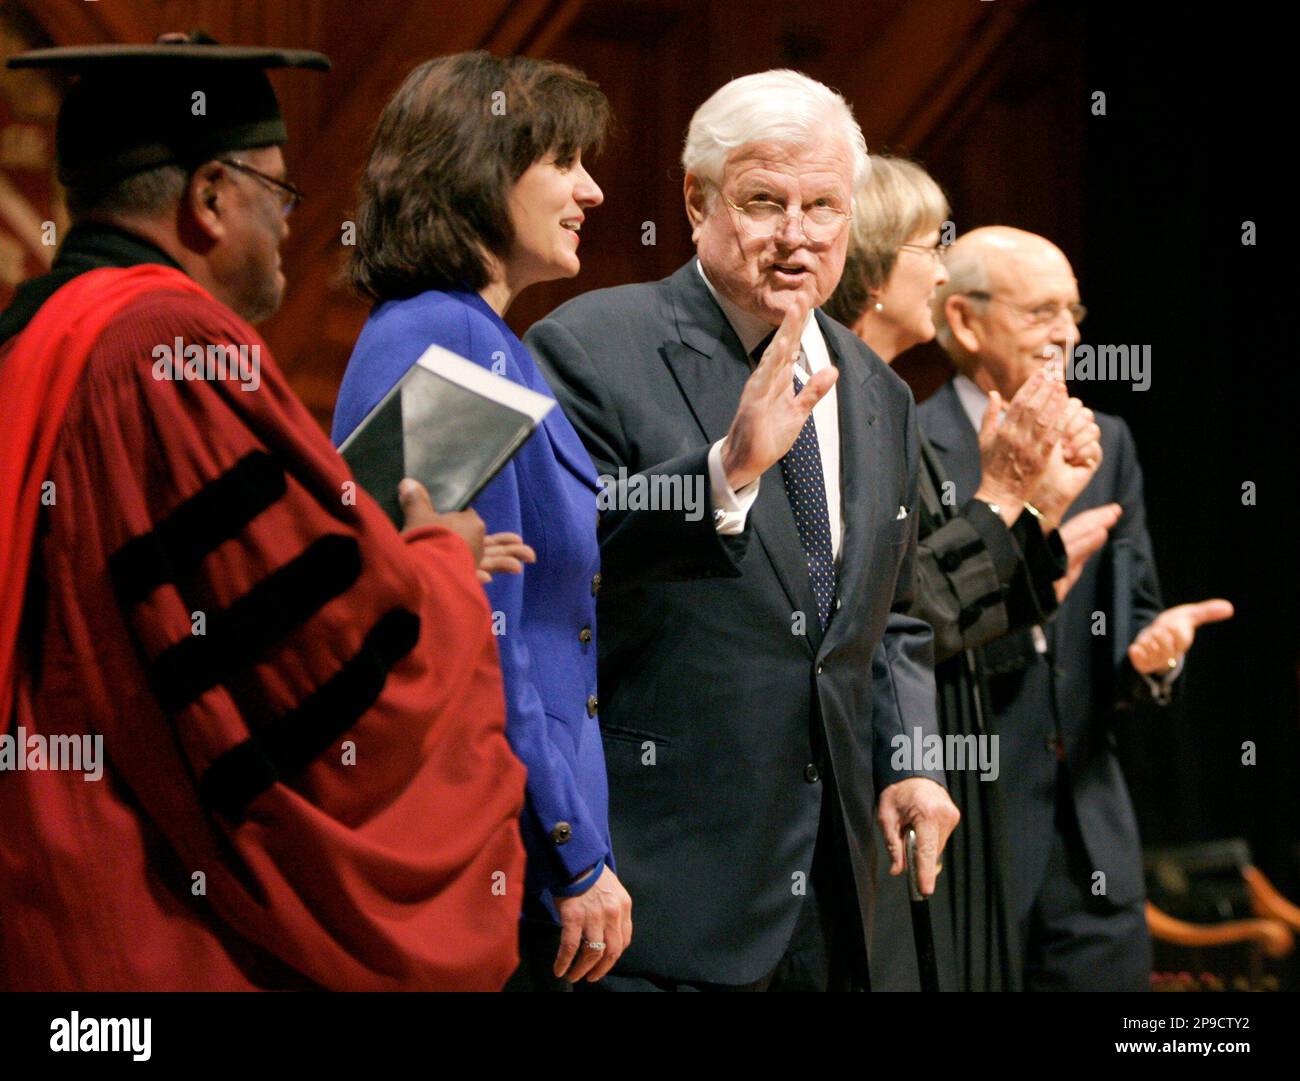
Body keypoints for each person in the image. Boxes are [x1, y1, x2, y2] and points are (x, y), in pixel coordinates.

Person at [0, 37, 526, 991]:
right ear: (208, 197)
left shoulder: (36, 330)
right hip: (142, 910)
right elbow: (314, 658)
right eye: (276, 193)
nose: (290, 223)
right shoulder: (166, 345)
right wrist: (439, 564)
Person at [525, 70, 960, 991]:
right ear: (697, 200)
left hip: (840, 900)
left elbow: (896, 617)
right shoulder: (589, 346)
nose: (797, 236)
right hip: (662, 898)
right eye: (765, 202)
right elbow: (562, 566)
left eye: (823, 206)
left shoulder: (877, 390)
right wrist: (725, 475)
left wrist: (912, 760)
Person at [331, 52, 632, 990]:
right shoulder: (449, 334)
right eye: (563, 161)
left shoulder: (484, 338)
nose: (591, 188)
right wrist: (572, 849)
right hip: (506, 850)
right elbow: (472, 632)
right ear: (477, 166)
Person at [824, 156, 1116, 990]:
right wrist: (1005, 496)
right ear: (873, 267)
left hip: (939, 739)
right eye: (930, 247)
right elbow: (895, 611)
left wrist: (1036, 512)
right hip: (889, 754)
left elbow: (933, 602)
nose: (947, 268)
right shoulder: (844, 396)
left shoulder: (884, 398)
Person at [927, 225, 1234, 990]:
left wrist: (1152, 658)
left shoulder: (1107, 441)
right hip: (973, 836)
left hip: (1093, 840)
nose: (1066, 333)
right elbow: (915, 628)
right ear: (964, 320)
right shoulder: (907, 439)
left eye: (1074, 312)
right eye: (1041, 312)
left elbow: (1133, 611)